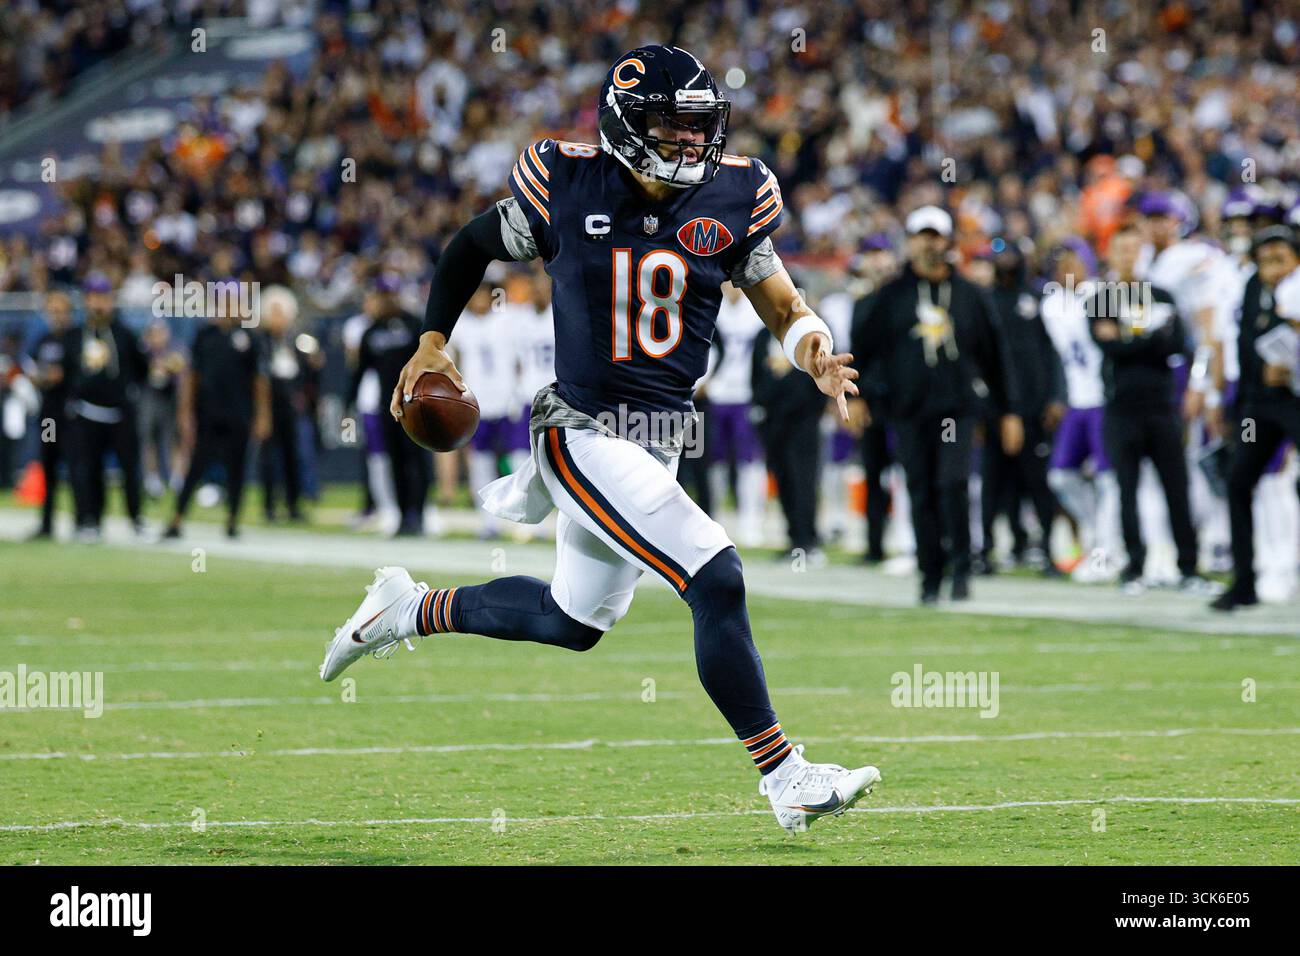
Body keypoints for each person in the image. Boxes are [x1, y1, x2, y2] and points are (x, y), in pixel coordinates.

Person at [319, 45, 879, 833]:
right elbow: (469, 247)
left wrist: (813, 345)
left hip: (658, 439)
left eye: (698, 127)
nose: (689, 144)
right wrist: (431, 340)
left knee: (571, 622)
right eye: (669, 126)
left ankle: (406, 608)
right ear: (624, 125)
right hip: (581, 431)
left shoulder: (737, 189)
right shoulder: (565, 179)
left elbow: (782, 303)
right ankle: (785, 775)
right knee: (715, 576)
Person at [852, 206, 1023, 604]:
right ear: (910, 242)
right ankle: (930, 574)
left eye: (935, 236)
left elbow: (996, 356)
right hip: (908, 410)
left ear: (947, 242)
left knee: (954, 484)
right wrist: (855, 397)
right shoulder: (891, 295)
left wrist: (1009, 411)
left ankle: (962, 567)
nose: (928, 243)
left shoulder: (970, 296)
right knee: (920, 490)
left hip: (956, 410)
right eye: (921, 236)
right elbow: (863, 348)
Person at [1087, 224, 1211, 594]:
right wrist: (1147, 337)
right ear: (1111, 254)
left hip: (1161, 405)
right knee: (1127, 489)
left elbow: (1174, 344)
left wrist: (1129, 336)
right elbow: (1111, 347)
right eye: (1121, 249)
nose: (1128, 256)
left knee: (1177, 486)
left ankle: (1188, 567)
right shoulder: (1102, 296)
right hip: (1121, 406)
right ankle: (1134, 567)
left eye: (1134, 249)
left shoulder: (1160, 294)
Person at [1211, 226, 1300, 611]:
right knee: (1238, 479)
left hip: (1295, 400)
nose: (1272, 269)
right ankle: (1245, 581)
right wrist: (1236, 405)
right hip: (1259, 406)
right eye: (1265, 261)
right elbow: (1244, 345)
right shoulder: (1250, 290)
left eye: (1280, 259)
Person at [977, 245, 1063, 574]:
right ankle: (985, 550)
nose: (1005, 262)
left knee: (1037, 482)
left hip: (1033, 407)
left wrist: (1056, 397)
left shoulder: (1036, 300)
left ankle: (1047, 551)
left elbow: (1051, 352)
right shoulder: (985, 301)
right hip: (995, 410)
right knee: (994, 483)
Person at [165, 280, 271, 539]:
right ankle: (177, 519)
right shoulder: (205, 334)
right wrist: (185, 411)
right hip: (208, 413)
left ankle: (233, 520)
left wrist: (262, 415)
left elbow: (259, 381)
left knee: (237, 469)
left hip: (239, 413)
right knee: (196, 467)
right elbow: (192, 377)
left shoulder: (249, 337)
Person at [63, 273, 148, 540]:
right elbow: (67, 372)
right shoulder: (75, 336)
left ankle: (136, 518)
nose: (98, 303)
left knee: (130, 469)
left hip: (120, 412)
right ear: (86, 300)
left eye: (103, 297)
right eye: (93, 297)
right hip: (87, 412)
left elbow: (141, 369)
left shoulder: (124, 334)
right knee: (88, 469)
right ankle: (91, 520)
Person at [350, 274, 429, 537]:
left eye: (391, 294)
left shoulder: (414, 324)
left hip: (416, 405)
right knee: (395, 461)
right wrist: (349, 401)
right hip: (389, 406)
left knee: (416, 459)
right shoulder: (371, 331)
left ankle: (418, 514)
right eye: (383, 295)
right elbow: (361, 370)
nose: (387, 300)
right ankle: (403, 515)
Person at [24, 291, 75, 538]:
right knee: (49, 464)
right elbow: (34, 369)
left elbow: (65, 374)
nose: (56, 315)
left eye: (60, 310)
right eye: (51, 310)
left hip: (72, 412)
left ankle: (83, 520)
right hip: (49, 415)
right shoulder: (44, 340)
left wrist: (49, 377)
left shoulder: (75, 338)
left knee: (77, 466)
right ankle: (47, 523)